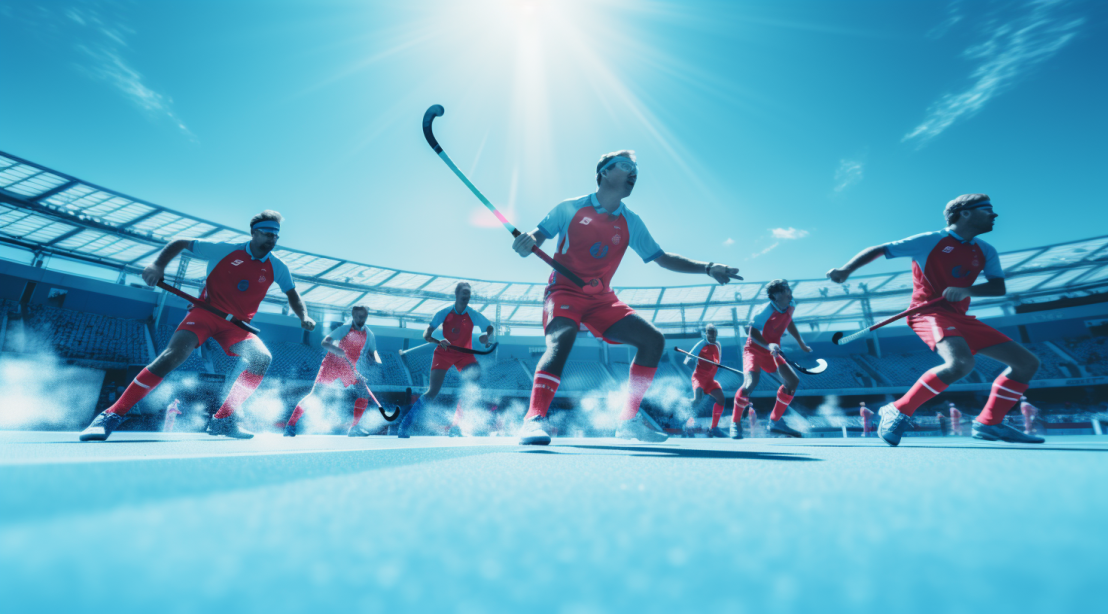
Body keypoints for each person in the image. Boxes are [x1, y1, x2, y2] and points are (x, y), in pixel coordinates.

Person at [510, 150, 740, 445]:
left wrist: (707, 268)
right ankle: (533, 418)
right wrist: (526, 241)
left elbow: (663, 258)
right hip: (564, 291)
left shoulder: (631, 222)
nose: (634, 173)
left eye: (636, 168)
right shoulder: (569, 208)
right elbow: (537, 236)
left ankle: (628, 420)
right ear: (604, 172)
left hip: (602, 299)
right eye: (626, 166)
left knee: (653, 340)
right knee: (563, 338)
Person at [826, 194, 1042, 445]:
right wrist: (845, 270)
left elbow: (998, 287)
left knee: (1027, 364)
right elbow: (879, 249)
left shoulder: (985, 250)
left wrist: (967, 291)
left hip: (960, 316)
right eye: (987, 210)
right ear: (966, 213)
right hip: (927, 312)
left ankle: (989, 423)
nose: (994, 215)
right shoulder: (931, 240)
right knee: (960, 363)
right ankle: (898, 409)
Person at [80, 210, 315, 441]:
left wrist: (303, 316)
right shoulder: (225, 250)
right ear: (254, 233)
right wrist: (157, 265)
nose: (271, 239)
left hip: (237, 326)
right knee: (172, 356)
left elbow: (293, 295)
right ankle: (111, 415)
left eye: (275, 236)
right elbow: (180, 242)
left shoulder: (278, 266)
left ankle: (224, 419)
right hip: (205, 314)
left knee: (262, 358)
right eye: (266, 234)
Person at [397, 282, 493, 438]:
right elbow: (426, 335)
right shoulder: (444, 312)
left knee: (474, 384)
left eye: (468, 293)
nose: (466, 296)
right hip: (444, 352)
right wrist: (438, 341)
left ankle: (456, 426)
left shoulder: (473, 314)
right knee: (433, 391)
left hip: (465, 354)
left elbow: (489, 327)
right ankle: (405, 425)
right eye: (464, 293)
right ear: (456, 294)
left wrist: (486, 337)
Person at [731, 279, 812, 438]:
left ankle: (775, 422)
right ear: (774, 296)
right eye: (783, 290)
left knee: (792, 382)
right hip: (754, 350)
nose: (788, 292)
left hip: (772, 352)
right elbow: (752, 333)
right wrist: (769, 345)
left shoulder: (791, 304)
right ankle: (735, 422)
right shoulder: (764, 311)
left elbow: (789, 322)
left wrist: (801, 342)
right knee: (750, 384)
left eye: (787, 288)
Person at [284, 305, 380, 437]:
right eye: (358, 316)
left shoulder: (368, 333)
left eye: (363, 316)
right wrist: (336, 349)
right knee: (314, 395)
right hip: (332, 364)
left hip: (347, 367)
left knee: (363, 392)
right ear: (353, 316)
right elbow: (325, 342)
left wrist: (372, 362)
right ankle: (290, 425)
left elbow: (371, 354)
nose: (361, 319)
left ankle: (354, 428)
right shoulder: (345, 328)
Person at [684, 325, 728, 438]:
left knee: (721, 399)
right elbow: (688, 358)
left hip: (710, 380)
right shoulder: (702, 344)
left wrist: (718, 363)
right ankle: (685, 418)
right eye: (710, 335)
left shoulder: (718, 344)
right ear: (706, 334)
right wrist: (690, 360)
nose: (712, 338)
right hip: (699, 378)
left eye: (714, 336)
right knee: (698, 399)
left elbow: (718, 359)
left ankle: (714, 428)